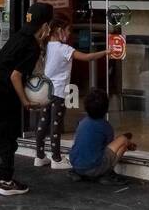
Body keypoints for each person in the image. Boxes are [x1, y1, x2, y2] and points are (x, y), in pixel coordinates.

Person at [0, 1, 52, 196]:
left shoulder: (19, 36)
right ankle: (7, 181)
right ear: (45, 26)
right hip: (4, 93)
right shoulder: (31, 46)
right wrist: (25, 101)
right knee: (7, 138)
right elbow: (15, 76)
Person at [34, 14, 108, 170]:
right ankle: (56, 158)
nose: (69, 34)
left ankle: (39, 156)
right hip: (59, 91)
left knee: (42, 122)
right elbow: (87, 57)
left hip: (45, 90)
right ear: (59, 30)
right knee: (56, 124)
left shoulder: (45, 46)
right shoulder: (64, 49)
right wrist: (106, 52)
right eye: (68, 31)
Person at [68, 87, 135, 183]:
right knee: (123, 142)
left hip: (76, 164)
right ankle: (107, 173)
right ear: (106, 108)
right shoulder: (106, 127)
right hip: (93, 167)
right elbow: (110, 148)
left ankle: (78, 173)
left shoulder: (82, 122)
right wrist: (128, 143)